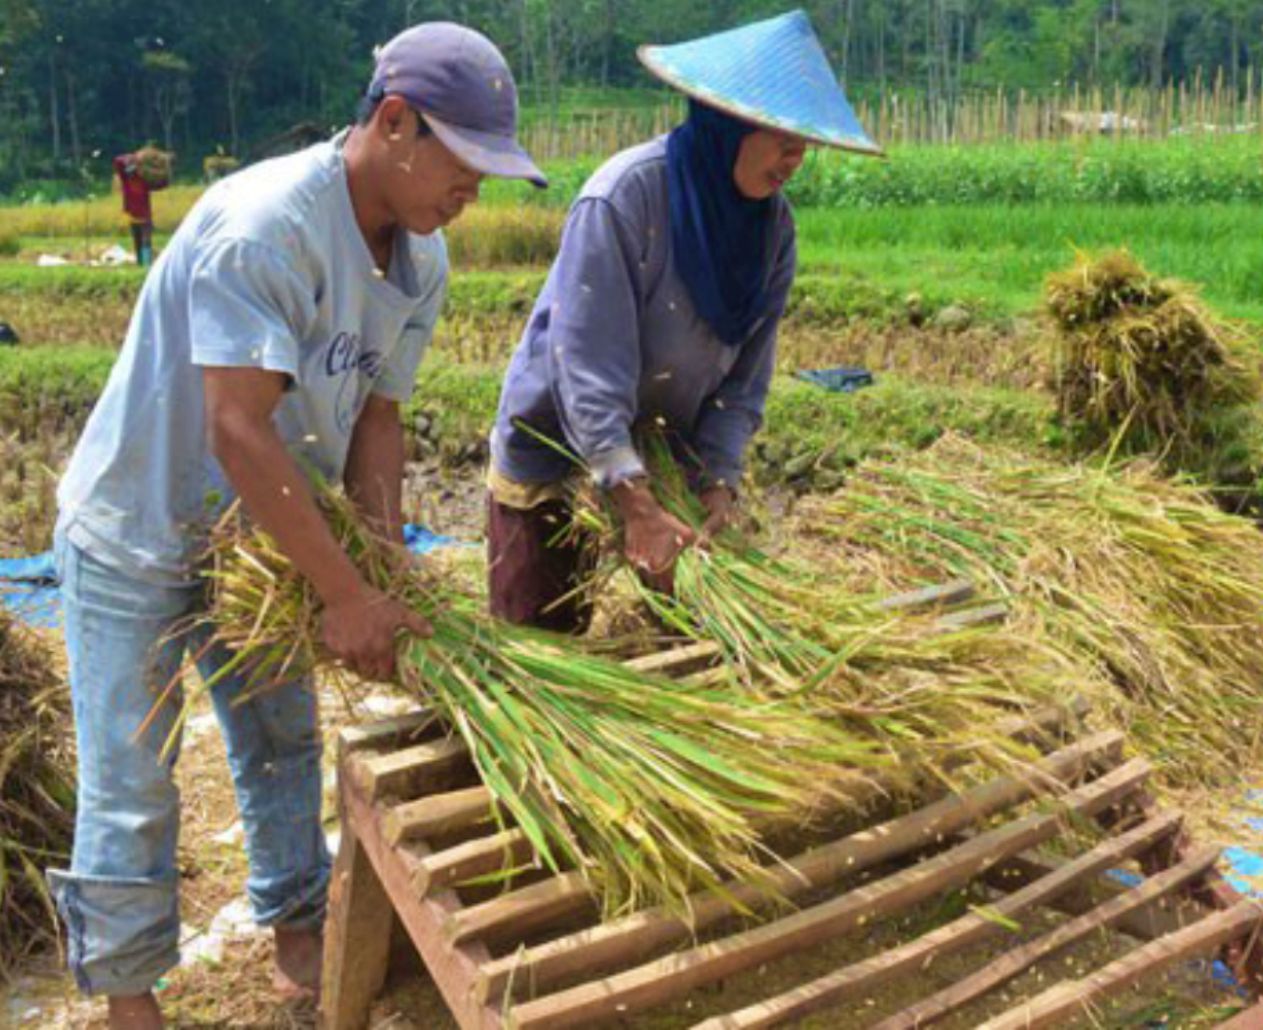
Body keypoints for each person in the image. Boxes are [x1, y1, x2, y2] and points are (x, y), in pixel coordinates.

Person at [51, 22, 544, 1030]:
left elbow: (377, 417)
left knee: (279, 741)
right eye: (467, 165)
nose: (473, 193)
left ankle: (298, 935)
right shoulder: (268, 224)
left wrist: (380, 560)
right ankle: (130, 997)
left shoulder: (423, 259)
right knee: (133, 779)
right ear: (395, 124)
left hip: (262, 540)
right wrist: (343, 593)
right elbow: (238, 428)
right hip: (138, 531)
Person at [487, 10, 880, 632]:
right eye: (782, 135)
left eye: (804, 142)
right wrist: (629, 497)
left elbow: (744, 381)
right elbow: (587, 368)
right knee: (542, 647)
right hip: (559, 448)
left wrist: (717, 481)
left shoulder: (772, 231)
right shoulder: (623, 200)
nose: (796, 156)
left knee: (701, 639)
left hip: (669, 459)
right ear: (727, 124)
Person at [113, 151, 166, 267]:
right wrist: (133, 158)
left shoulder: (143, 181)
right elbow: (117, 161)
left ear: (136, 171)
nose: (130, 174)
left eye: (132, 171)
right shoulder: (126, 181)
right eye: (129, 171)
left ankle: (146, 264)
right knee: (137, 241)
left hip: (145, 216)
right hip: (132, 215)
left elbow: (161, 184)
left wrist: (136, 162)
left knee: (146, 241)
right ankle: (140, 263)